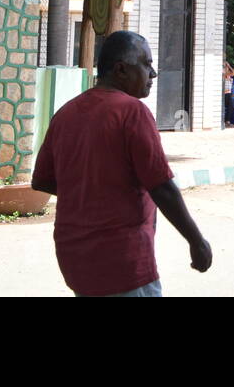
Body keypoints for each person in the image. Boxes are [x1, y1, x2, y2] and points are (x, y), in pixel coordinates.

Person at [31, 31, 212, 296]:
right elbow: (161, 187)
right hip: (123, 261)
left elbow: (42, 180)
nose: (153, 74)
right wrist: (196, 241)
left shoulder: (66, 113)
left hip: (74, 260)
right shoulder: (132, 111)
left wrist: (92, 195)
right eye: (146, 64)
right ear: (121, 70)